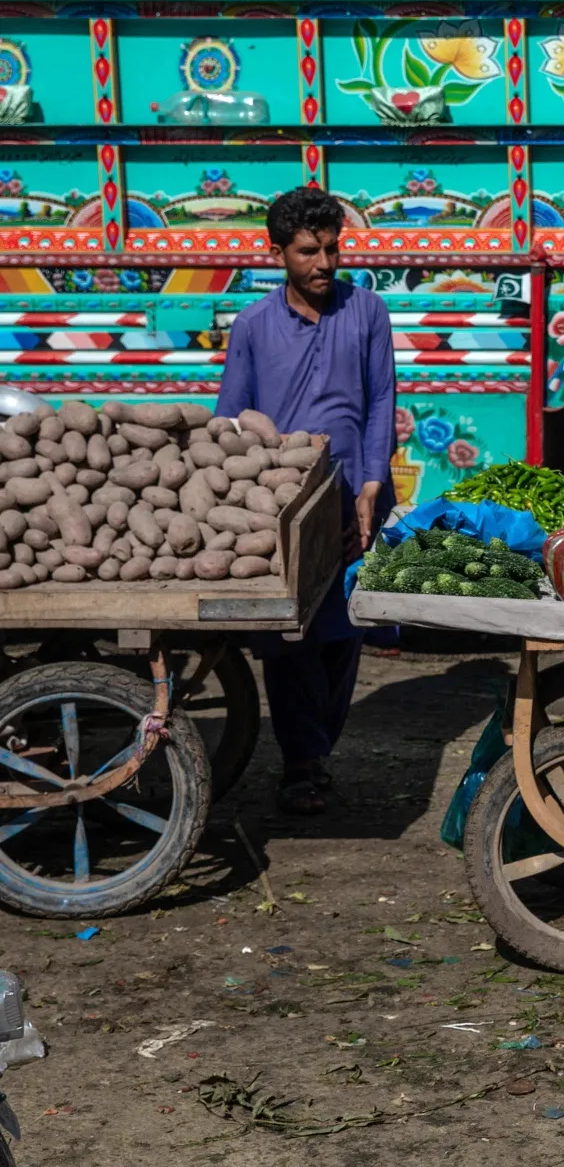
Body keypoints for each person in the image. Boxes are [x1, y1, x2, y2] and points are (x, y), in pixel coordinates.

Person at [216, 187, 396, 814]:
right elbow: (230, 421)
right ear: (277, 254)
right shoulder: (253, 325)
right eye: (307, 252)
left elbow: (381, 403)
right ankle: (303, 762)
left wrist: (374, 482)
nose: (323, 264)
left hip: (355, 493)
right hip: (282, 504)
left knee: (345, 628)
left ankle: (313, 750)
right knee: (289, 637)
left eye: (331, 249)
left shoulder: (368, 311)